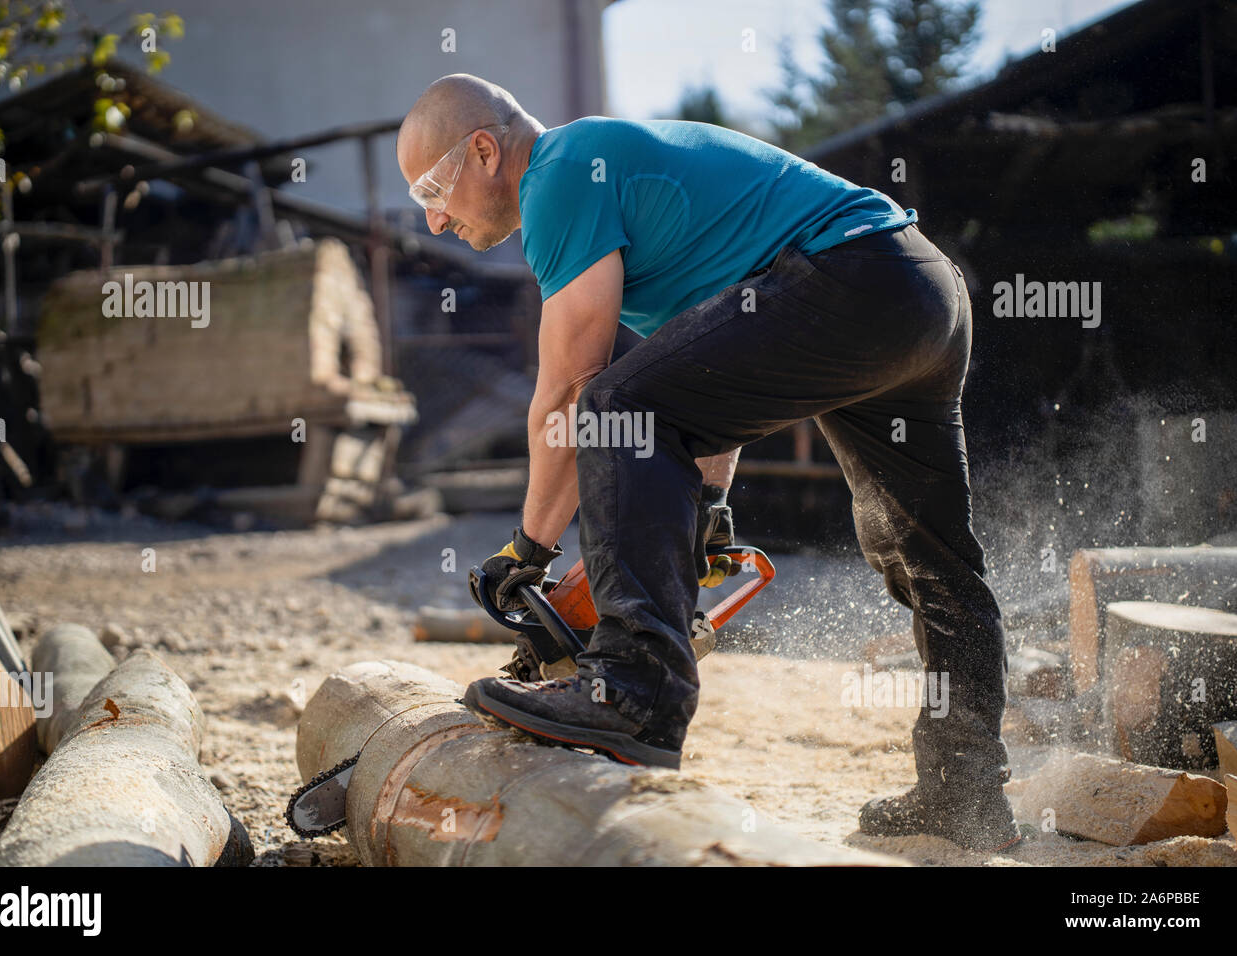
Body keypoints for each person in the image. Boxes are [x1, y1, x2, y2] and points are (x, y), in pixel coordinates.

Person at [395, 73, 1020, 852]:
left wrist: (527, 548)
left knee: (616, 408)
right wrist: (709, 508)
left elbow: (570, 389)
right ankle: (967, 796)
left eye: (432, 186)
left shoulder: (559, 172)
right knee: (932, 558)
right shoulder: (632, 186)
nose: (433, 215)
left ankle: (635, 692)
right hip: (919, 292)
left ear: (484, 150)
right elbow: (716, 381)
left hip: (848, 279)